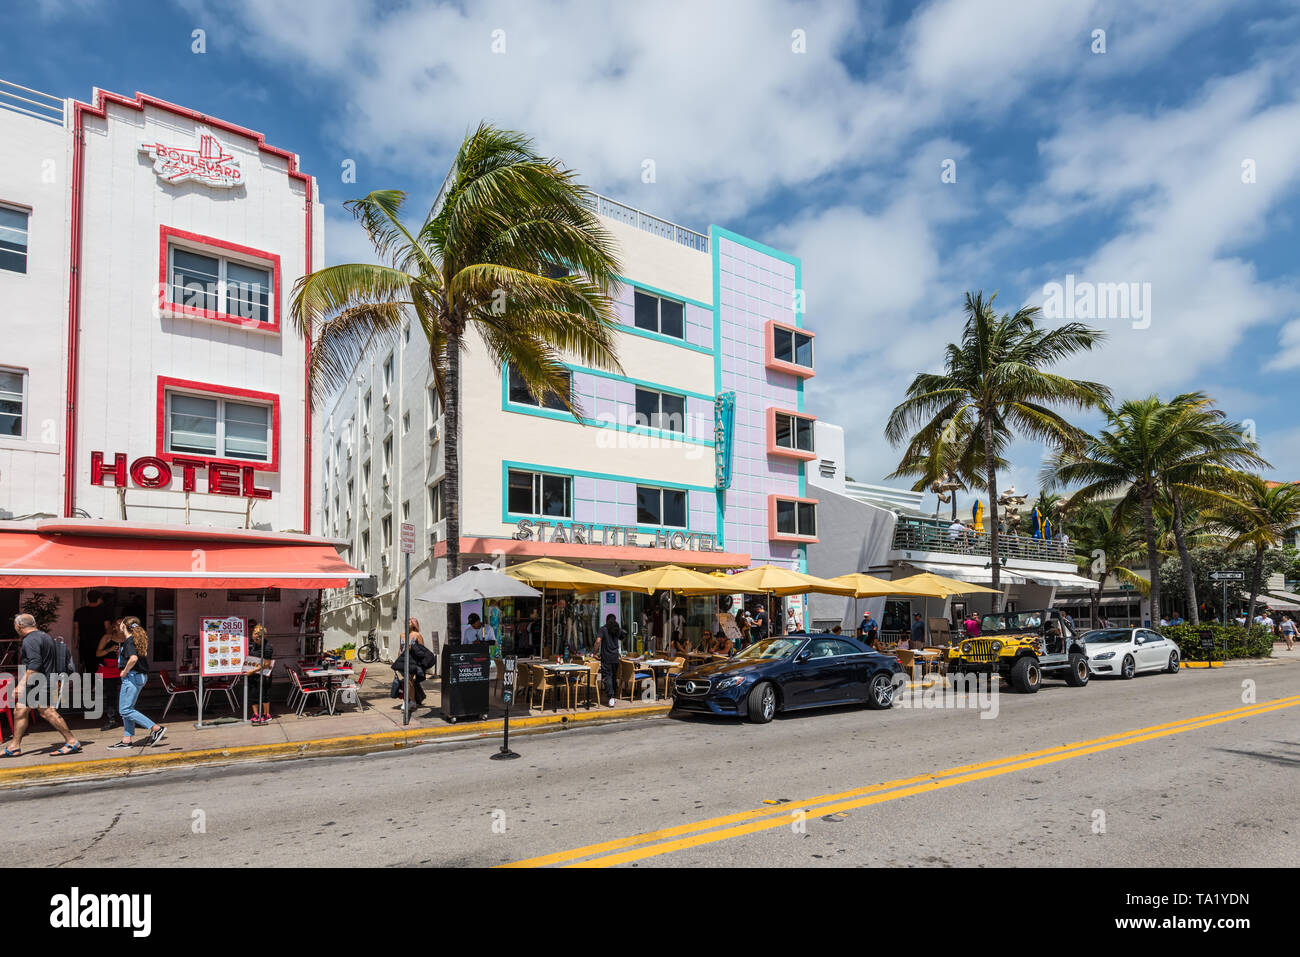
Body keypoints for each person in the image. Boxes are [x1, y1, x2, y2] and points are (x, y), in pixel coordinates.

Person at [3, 614, 82, 757]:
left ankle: (71, 741)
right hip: (43, 680)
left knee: (47, 712)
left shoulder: (30, 640)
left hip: (39, 682)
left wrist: (21, 685)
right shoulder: (44, 636)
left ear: (19, 626)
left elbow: (35, 663)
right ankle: (15, 745)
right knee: (20, 711)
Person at [109, 617, 166, 749]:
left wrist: (124, 671)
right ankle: (126, 740)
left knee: (125, 709)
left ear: (124, 626)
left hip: (132, 677)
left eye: (121, 622)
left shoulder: (129, 641)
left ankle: (156, 728)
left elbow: (133, 658)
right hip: (138, 677)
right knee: (128, 709)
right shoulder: (136, 640)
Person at [72, 589, 112, 704]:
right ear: (99, 599)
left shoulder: (79, 611)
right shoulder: (104, 611)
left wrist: (76, 641)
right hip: (100, 641)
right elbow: (107, 627)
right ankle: (97, 686)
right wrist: (110, 638)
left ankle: (89, 685)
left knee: (87, 663)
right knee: (99, 664)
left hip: (84, 641)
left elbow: (76, 628)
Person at [94, 619, 123, 732]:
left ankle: (131, 717)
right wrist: (109, 649)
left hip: (124, 668)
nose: (122, 626)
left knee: (128, 692)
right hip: (109, 669)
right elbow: (98, 653)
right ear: (114, 627)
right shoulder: (107, 637)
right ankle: (112, 719)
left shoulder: (130, 638)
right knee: (111, 693)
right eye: (119, 624)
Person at [243, 625, 276, 724]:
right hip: (253, 674)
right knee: (253, 694)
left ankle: (266, 714)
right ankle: (255, 714)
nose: (253, 638)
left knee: (264, 695)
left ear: (261, 637)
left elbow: (266, 664)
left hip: (263, 675)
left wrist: (251, 671)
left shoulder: (267, 647)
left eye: (255, 636)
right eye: (253, 635)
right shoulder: (254, 645)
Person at [596, 614, 623, 707]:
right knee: (613, 677)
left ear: (606, 620)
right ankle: (614, 696)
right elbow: (623, 636)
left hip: (606, 658)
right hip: (615, 657)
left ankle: (611, 697)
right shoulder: (616, 629)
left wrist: (594, 652)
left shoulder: (603, 629)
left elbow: (598, 641)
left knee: (607, 677)